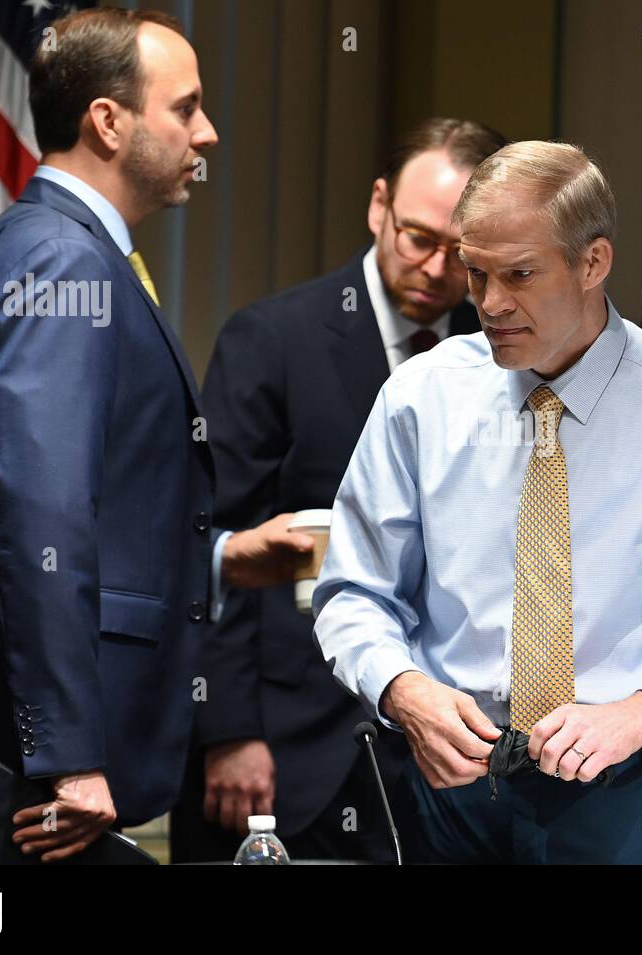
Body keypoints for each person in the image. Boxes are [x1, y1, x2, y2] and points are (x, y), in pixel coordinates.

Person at [0, 7, 310, 862]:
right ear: (108, 121)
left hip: (29, 760)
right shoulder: (60, 259)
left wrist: (220, 558)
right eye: (185, 107)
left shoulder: (62, 250)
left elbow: (100, 507)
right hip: (28, 773)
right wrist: (69, 754)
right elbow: (42, 511)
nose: (208, 133)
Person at [312, 140, 642, 864]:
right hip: (454, 789)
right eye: (476, 271)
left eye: (519, 274)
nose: (489, 304)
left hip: (634, 789)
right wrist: (402, 690)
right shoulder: (422, 400)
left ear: (593, 262)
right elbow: (352, 593)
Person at [169, 118, 507, 863]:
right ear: (378, 206)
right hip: (285, 750)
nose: (435, 266)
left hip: (450, 754)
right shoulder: (272, 340)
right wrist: (227, 729)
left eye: (463, 251)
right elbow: (209, 545)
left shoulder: (501, 358)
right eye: (417, 236)